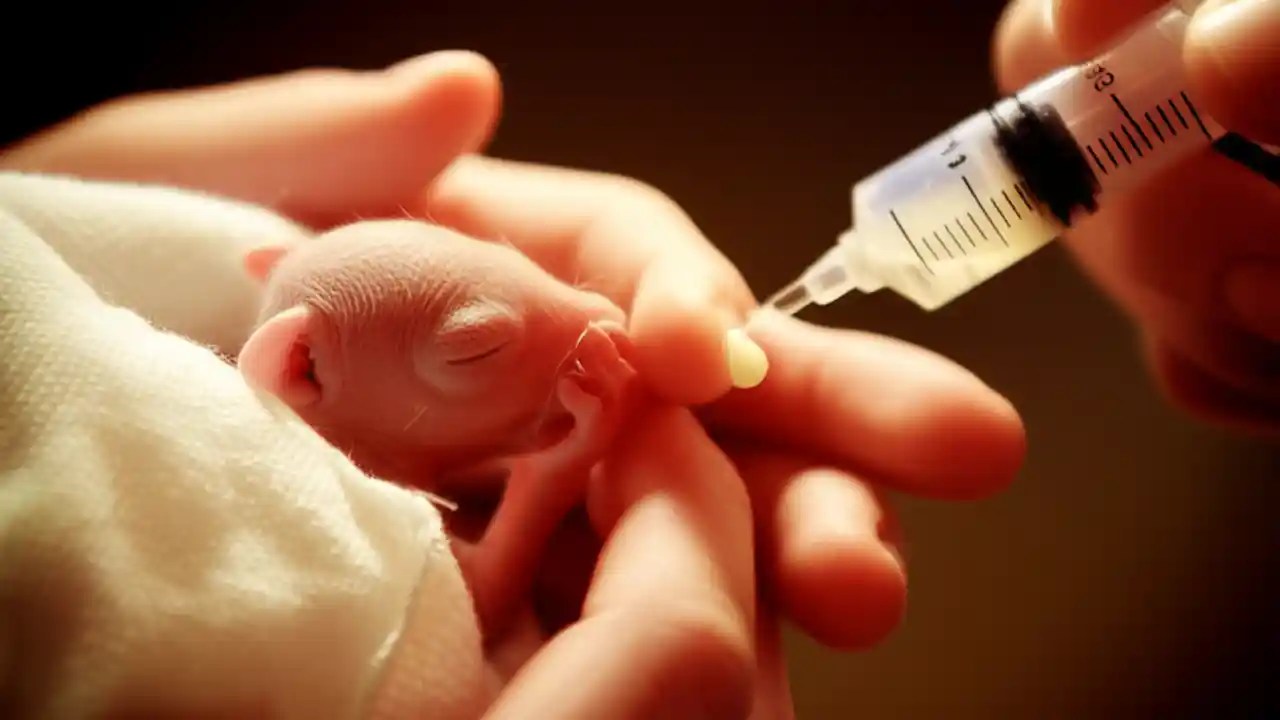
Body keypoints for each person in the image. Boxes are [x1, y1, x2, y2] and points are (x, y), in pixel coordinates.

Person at [0, 0, 1272, 717]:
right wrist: (565, 461)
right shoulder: (310, 517)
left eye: (540, 286)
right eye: (478, 341)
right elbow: (479, 590)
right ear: (298, 376)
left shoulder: (223, 279)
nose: (586, 314)